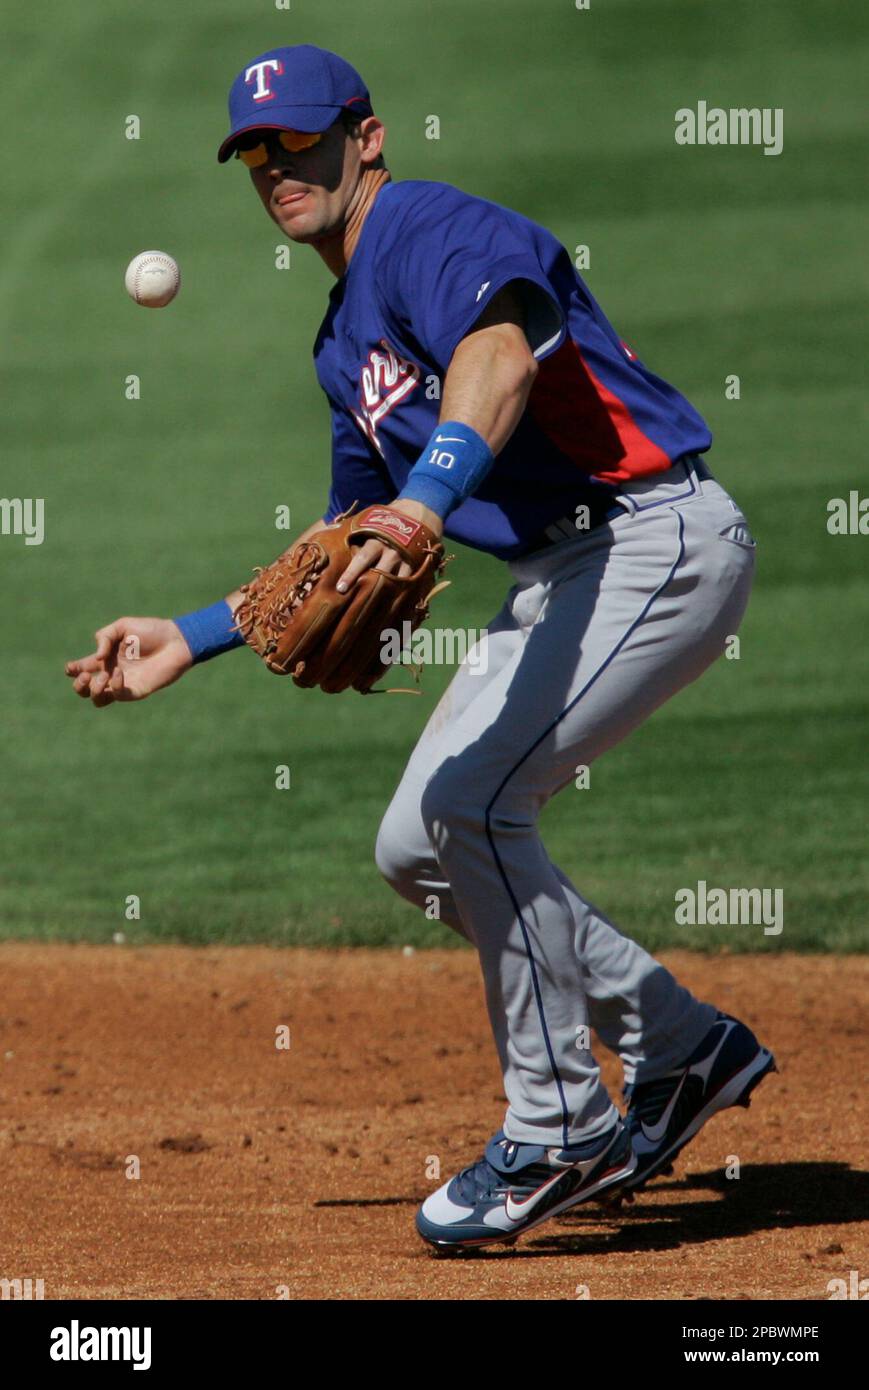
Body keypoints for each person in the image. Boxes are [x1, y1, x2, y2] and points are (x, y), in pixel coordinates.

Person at [66, 45, 775, 1253]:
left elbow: (497, 357)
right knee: (416, 842)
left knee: (470, 803)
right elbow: (343, 546)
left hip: (649, 536)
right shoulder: (340, 342)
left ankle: (560, 1129)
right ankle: (677, 1045)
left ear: (368, 137)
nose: (276, 169)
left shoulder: (430, 229)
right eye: (254, 154)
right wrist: (187, 637)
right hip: (563, 573)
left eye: (298, 142)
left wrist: (431, 496)